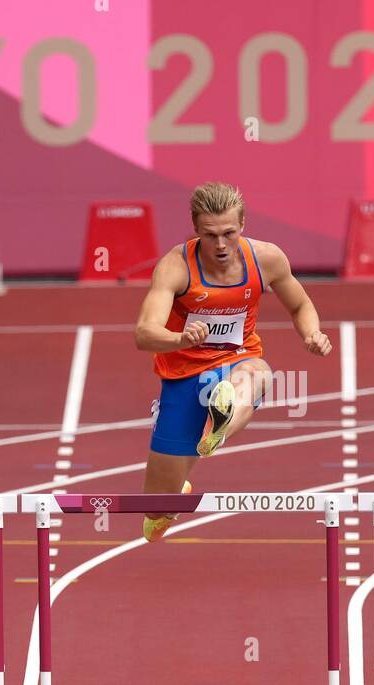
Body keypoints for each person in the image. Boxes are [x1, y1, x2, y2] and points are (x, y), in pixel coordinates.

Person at [134, 182, 331, 542]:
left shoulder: (267, 258)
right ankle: (180, 481)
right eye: (211, 235)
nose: (221, 245)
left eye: (229, 233)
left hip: (236, 360)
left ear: (243, 225)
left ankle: (219, 426)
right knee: (154, 515)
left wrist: (311, 334)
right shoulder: (176, 267)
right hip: (182, 376)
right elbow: (144, 333)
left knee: (258, 373)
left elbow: (301, 305)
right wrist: (178, 338)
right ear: (196, 230)